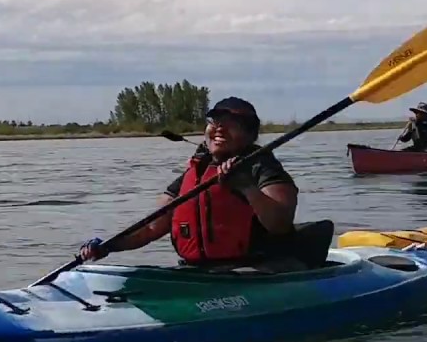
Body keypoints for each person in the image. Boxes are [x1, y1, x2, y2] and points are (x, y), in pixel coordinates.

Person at [78, 96, 329, 270]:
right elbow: (151, 228)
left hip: (257, 270)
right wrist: (109, 246)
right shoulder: (194, 174)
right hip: (201, 274)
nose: (220, 128)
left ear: (250, 135)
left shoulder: (262, 167)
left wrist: (246, 187)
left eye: (232, 124)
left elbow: (280, 224)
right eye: (215, 122)